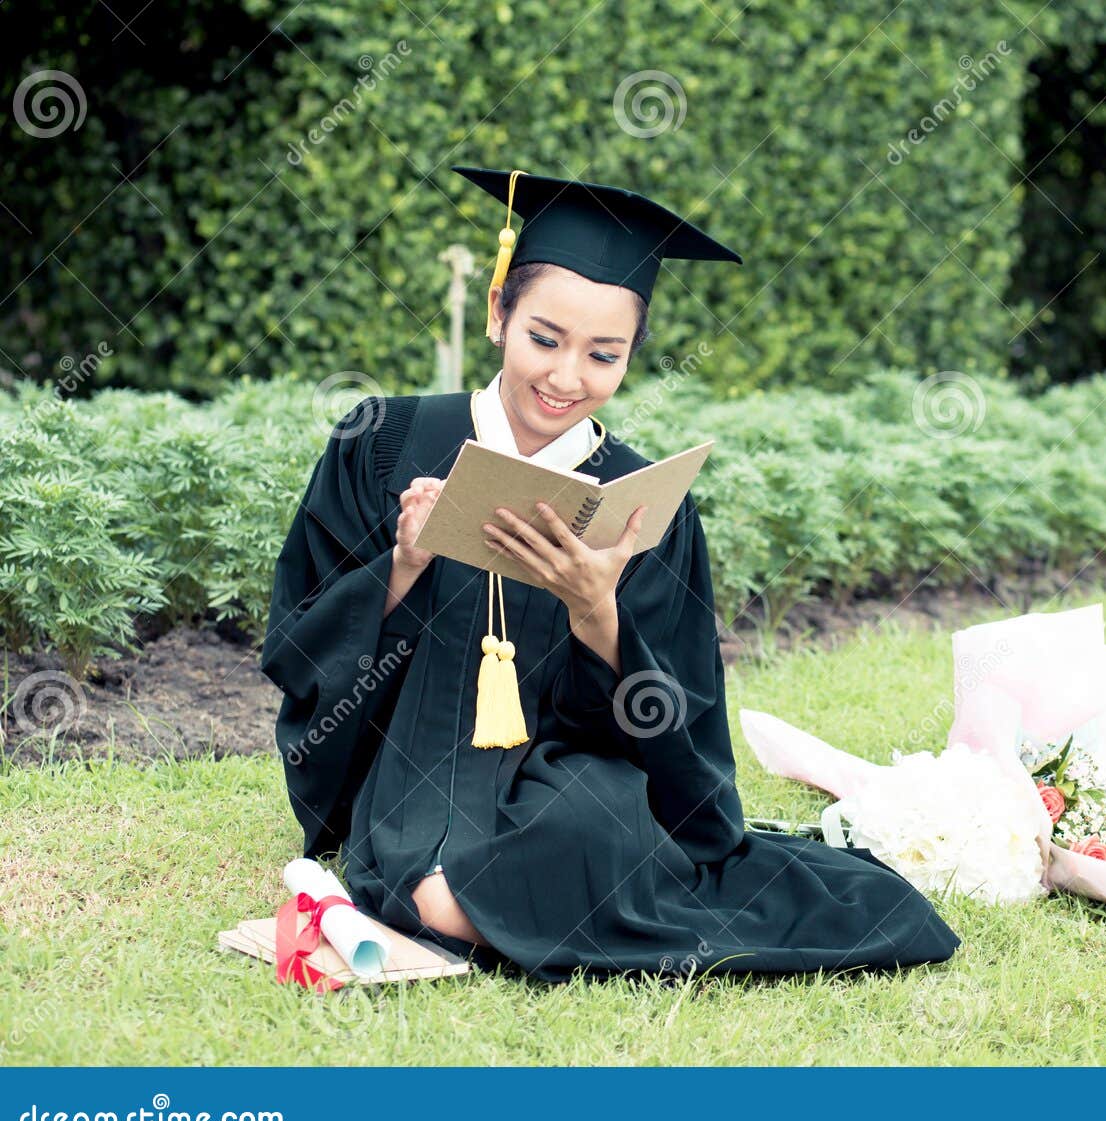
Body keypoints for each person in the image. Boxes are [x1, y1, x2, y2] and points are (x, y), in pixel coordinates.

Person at [259, 167, 962, 983]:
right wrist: (405, 561)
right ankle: (466, 898)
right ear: (498, 314)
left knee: (598, 820)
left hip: (559, 770)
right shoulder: (387, 441)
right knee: (424, 858)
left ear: (632, 353)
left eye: (604, 354)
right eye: (544, 339)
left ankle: (469, 905)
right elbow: (300, 645)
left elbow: (677, 729)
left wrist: (597, 613)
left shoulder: (639, 505)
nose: (565, 378)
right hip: (413, 763)